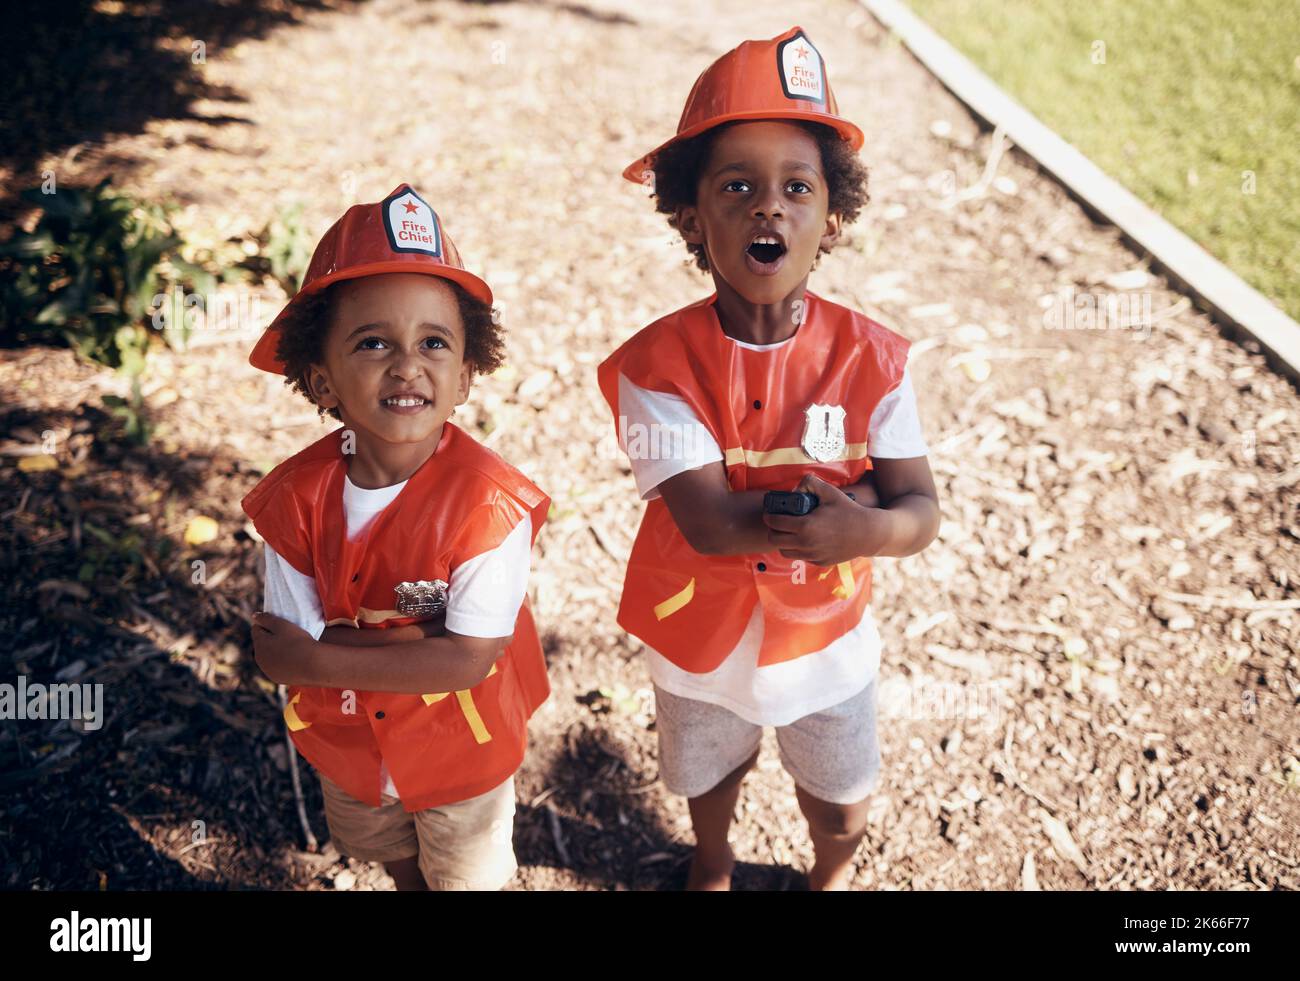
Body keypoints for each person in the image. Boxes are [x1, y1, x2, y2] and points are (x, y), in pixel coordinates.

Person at [598, 27, 942, 890]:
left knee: (839, 798)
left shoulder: (875, 360)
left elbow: (919, 512)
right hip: (696, 639)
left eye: (797, 187)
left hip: (827, 640)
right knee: (709, 771)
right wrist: (838, 506)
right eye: (737, 187)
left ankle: (827, 875)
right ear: (691, 215)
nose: (768, 207)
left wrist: (865, 525)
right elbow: (709, 522)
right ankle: (711, 865)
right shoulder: (654, 366)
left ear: (831, 219)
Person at [244, 183, 550, 891]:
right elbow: (282, 650)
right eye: (374, 341)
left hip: (462, 749)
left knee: (465, 875)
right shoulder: (293, 500)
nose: (407, 364)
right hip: (350, 743)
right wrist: (419, 646)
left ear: (468, 374)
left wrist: (326, 657)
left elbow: (467, 660)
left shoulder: (487, 503)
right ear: (322, 381)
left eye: (434, 342)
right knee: (392, 854)